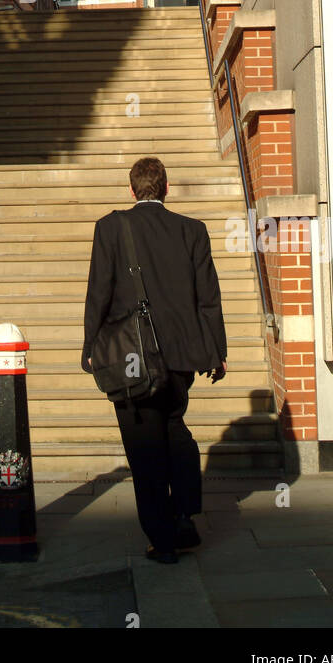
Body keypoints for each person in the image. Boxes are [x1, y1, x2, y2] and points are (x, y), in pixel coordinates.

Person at [82, 155, 227, 564]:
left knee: (144, 451)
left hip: (133, 358)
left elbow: (99, 292)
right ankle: (184, 519)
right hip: (180, 357)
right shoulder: (193, 231)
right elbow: (208, 297)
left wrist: (90, 346)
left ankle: (162, 541)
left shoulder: (110, 228)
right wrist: (217, 352)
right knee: (175, 429)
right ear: (166, 188)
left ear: (132, 190)